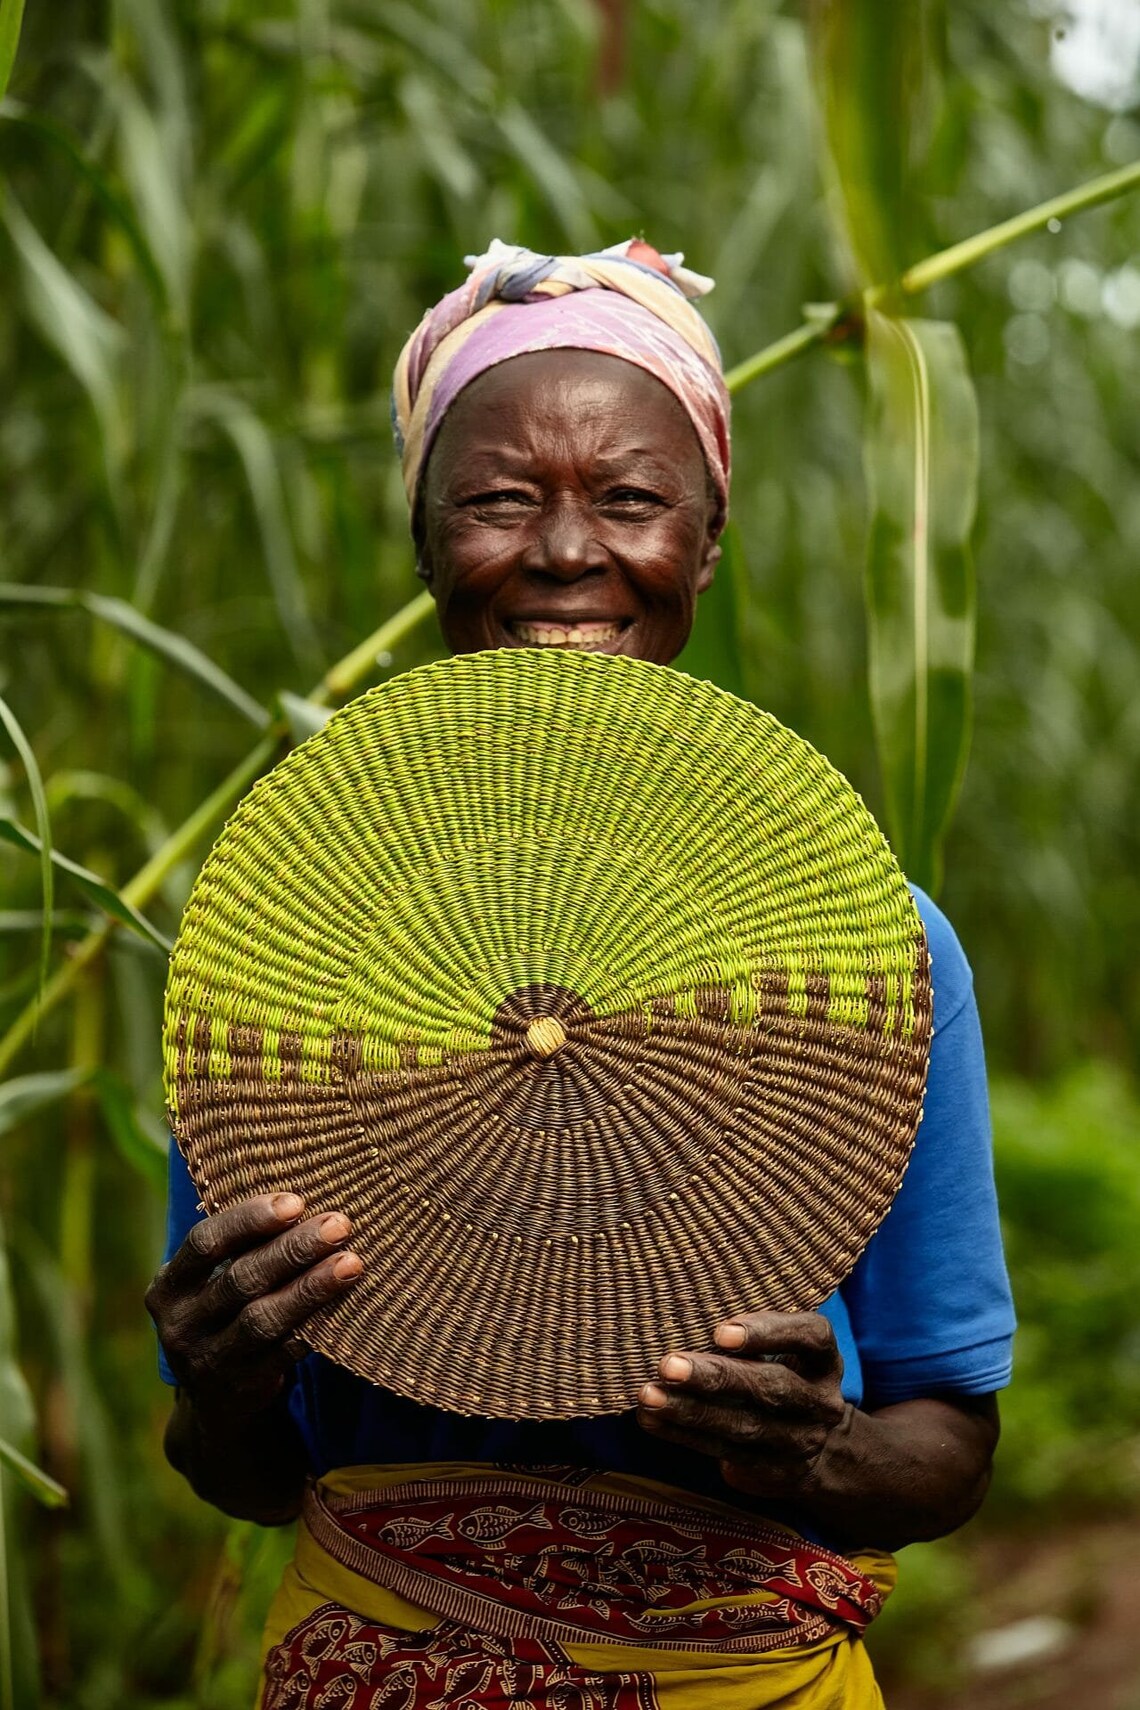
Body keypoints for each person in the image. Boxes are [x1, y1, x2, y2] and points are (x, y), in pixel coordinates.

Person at [147, 240, 1015, 1709]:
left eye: (629, 499)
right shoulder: (284, 939)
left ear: (706, 542)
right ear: (423, 538)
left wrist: (823, 1450)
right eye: (497, 500)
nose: (565, 553)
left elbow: (947, 1443)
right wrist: (220, 1387)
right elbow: (245, 1470)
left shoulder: (870, 950)